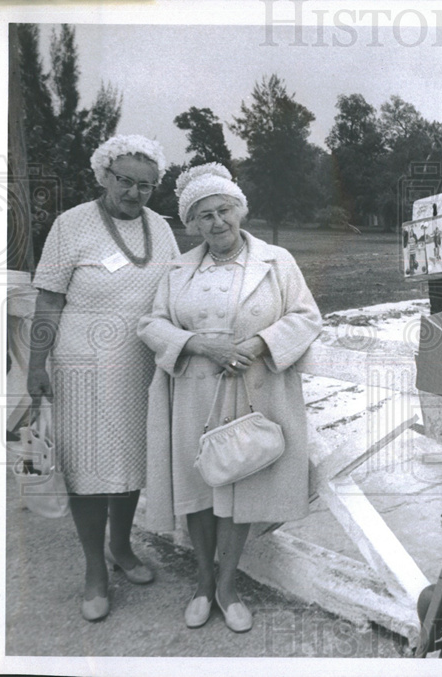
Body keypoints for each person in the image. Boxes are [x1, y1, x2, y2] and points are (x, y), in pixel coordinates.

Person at [137, 163, 322, 632]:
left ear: (239, 210)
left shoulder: (277, 261)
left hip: (253, 388)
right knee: (200, 487)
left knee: (243, 483)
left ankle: (227, 585)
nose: (217, 223)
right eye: (204, 216)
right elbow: (152, 324)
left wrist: (259, 344)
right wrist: (199, 344)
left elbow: (306, 317)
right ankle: (202, 581)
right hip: (193, 391)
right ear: (191, 224)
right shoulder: (179, 268)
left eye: (223, 211)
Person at [27, 135, 178, 622]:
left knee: (130, 461)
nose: (135, 193)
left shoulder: (161, 227)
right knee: (89, 465)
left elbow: (176, 289)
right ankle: (95, 568)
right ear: (104, 175)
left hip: (142, 364)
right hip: (83, 366)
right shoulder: (70, 224)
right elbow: (48, 299)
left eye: (147, 186)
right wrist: (36, 365)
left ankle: (122, 547)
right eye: (126, 181)